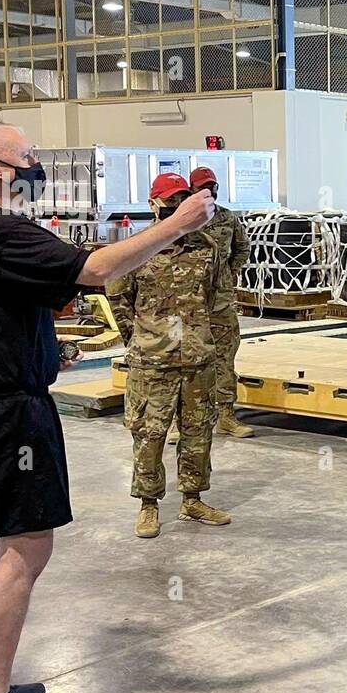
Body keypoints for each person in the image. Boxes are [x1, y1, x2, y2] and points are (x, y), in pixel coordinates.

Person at [0, 122, 215, 693]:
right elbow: (99, 270)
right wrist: (179, 224)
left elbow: (20, 298)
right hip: (6, 415)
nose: (37, 168)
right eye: (28, 159)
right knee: (26, 549)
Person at [107, 173, 231, 539]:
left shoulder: (206, 246)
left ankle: (192, 499)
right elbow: (119, 300)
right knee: (149, 433)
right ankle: (148, 505)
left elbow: (216, 296)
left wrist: (206, 340)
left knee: (198, 431)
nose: (176, 206)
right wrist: (141, 340)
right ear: (153, 204)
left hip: (198, 359)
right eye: (169, 200)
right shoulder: (137, 248)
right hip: (152, 362)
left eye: (182, 199)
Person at [189, 166, 253, 438]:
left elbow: (243, 248)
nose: (209, 191)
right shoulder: (182, 220)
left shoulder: (228, 218)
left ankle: (226, 415)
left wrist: (230, 271)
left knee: (224, 356)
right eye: (203, 187)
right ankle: (188, 421)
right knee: (188, 360)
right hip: (188, 300)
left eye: (212, 186)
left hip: (221, 301)